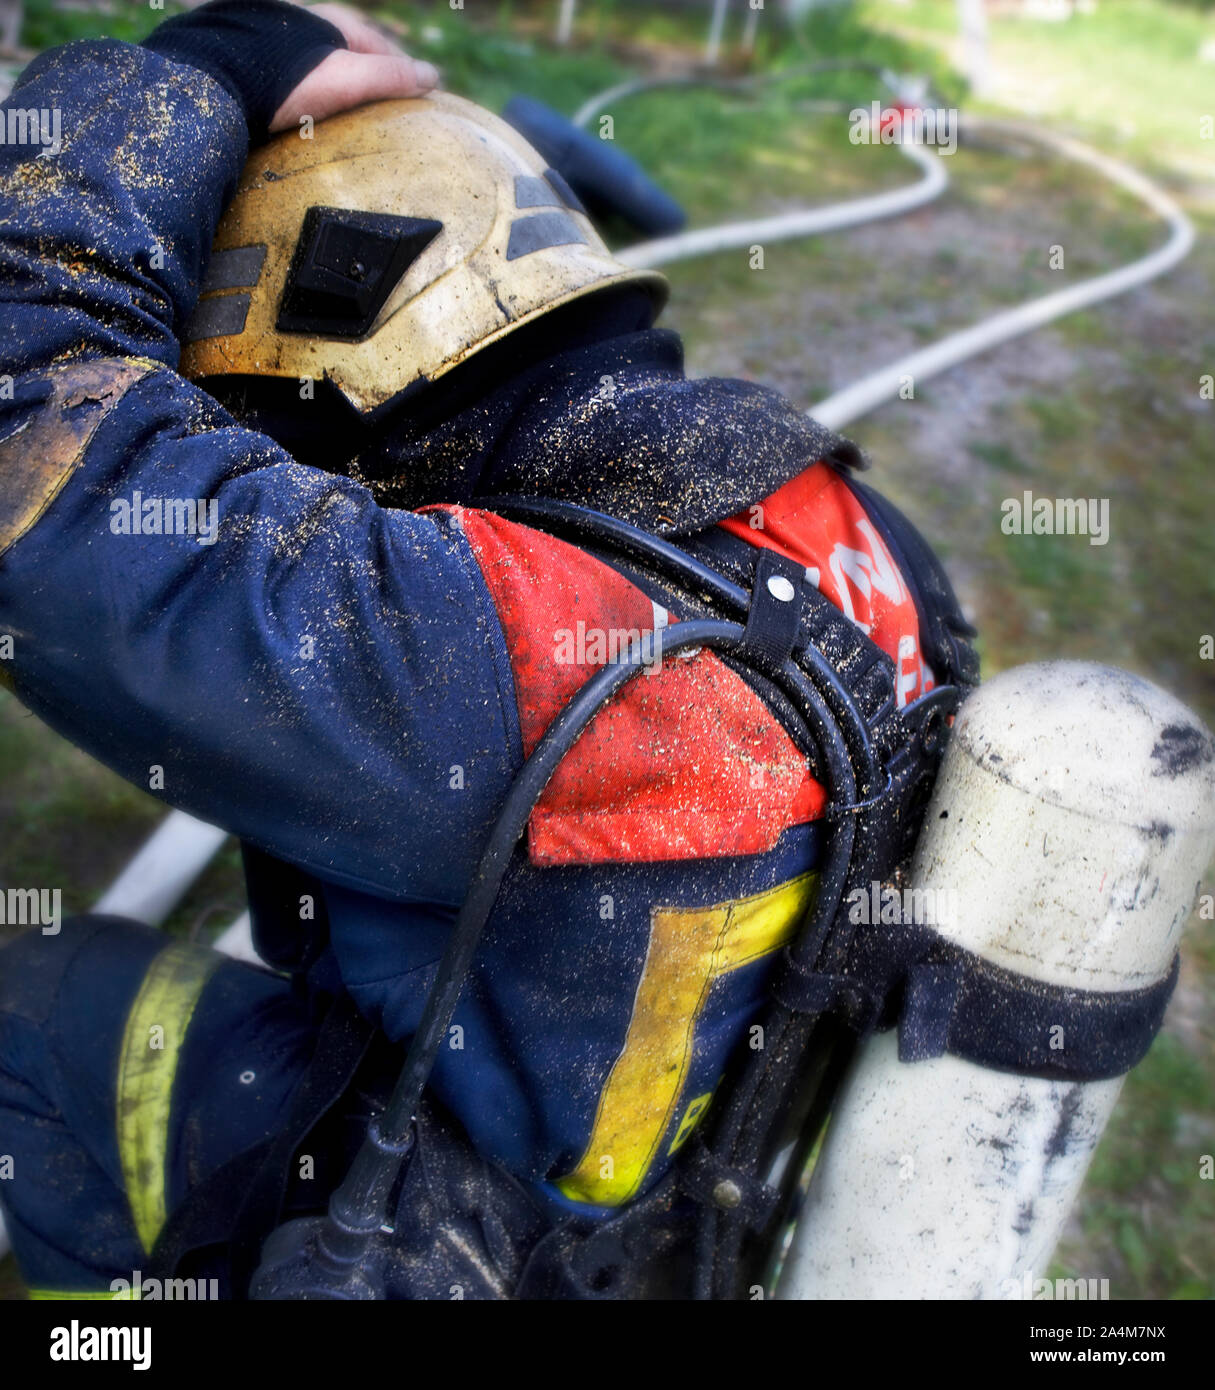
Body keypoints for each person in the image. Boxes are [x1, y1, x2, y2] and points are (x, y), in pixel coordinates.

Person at [0, 1, 975, 1300]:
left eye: (243, 426)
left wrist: (191, 77)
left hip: (463, 1233)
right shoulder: (832, 518)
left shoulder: (525, 659)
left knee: (34, 1012)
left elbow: (38, 485)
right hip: (677, 1195)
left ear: (341, 343)